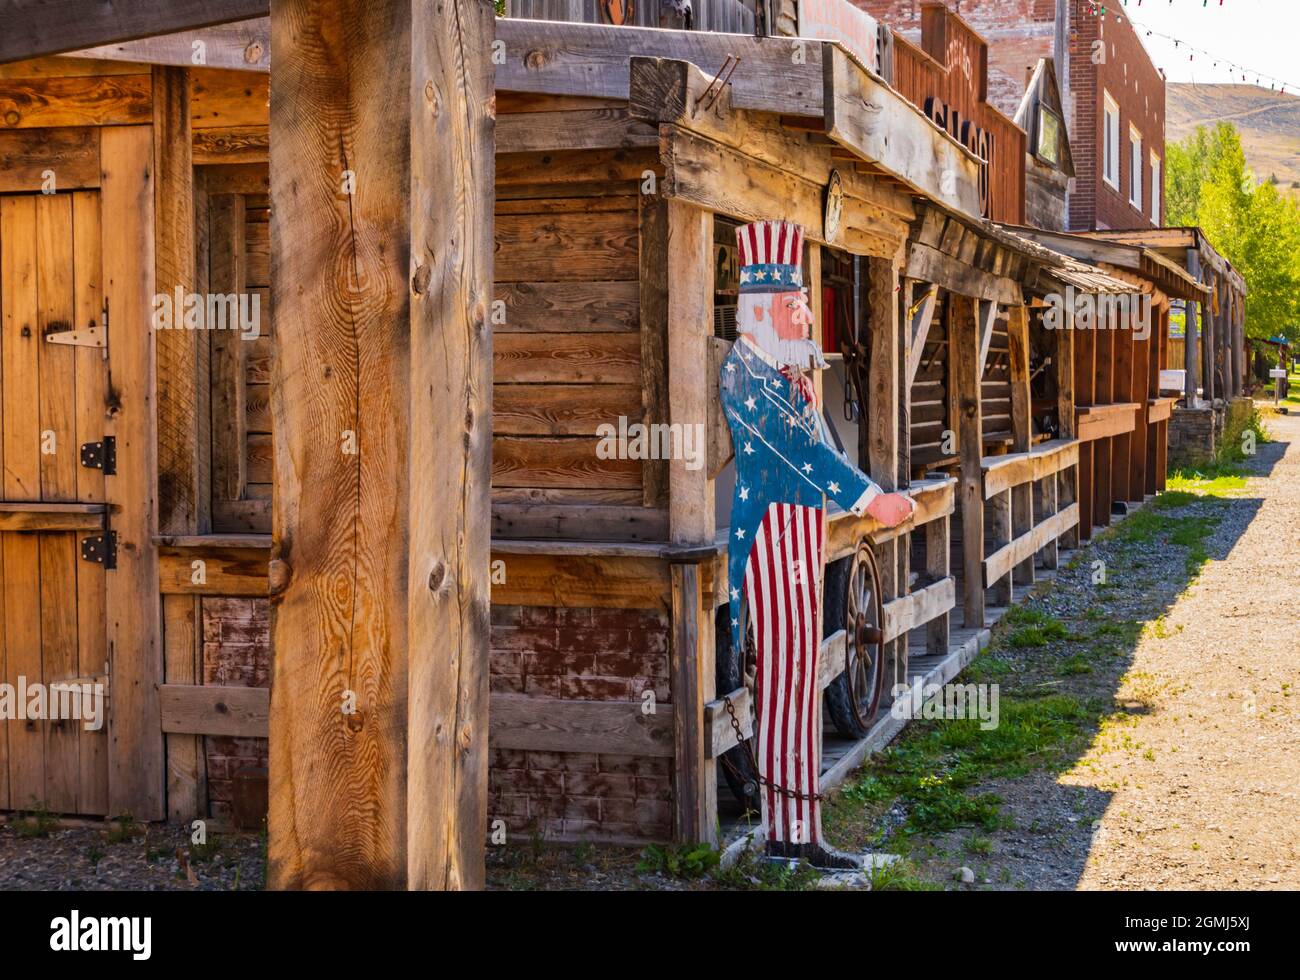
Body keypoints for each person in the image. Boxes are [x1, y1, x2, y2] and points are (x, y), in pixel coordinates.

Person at [719, 220, 914, 868]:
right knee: (776, 683)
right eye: (794, 304)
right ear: (765, 308)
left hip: (801, 541)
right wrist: (870, 499)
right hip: (770, 541)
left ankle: (805, 830)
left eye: (803, 301)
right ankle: (780, 831)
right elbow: (801, 455)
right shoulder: (744, 375)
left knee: (802, 683)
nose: (806, 314)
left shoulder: (788, 372)